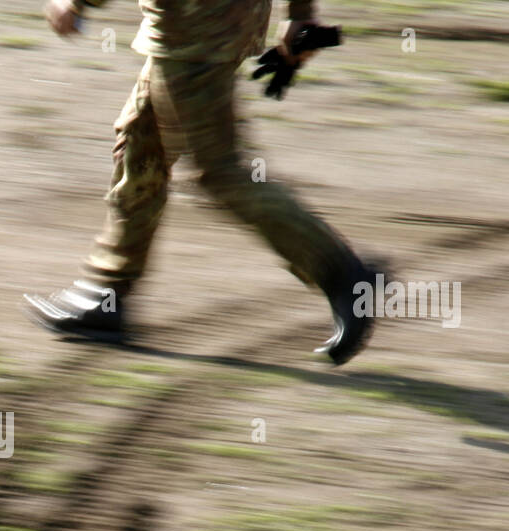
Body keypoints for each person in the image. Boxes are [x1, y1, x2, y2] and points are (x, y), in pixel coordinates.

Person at [23, 0, 381, 364]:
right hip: (208, 26)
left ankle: (344, 274)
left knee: (221, 172)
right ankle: (107, 294)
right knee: (143, 145)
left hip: (195, 31)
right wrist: (300, 14)